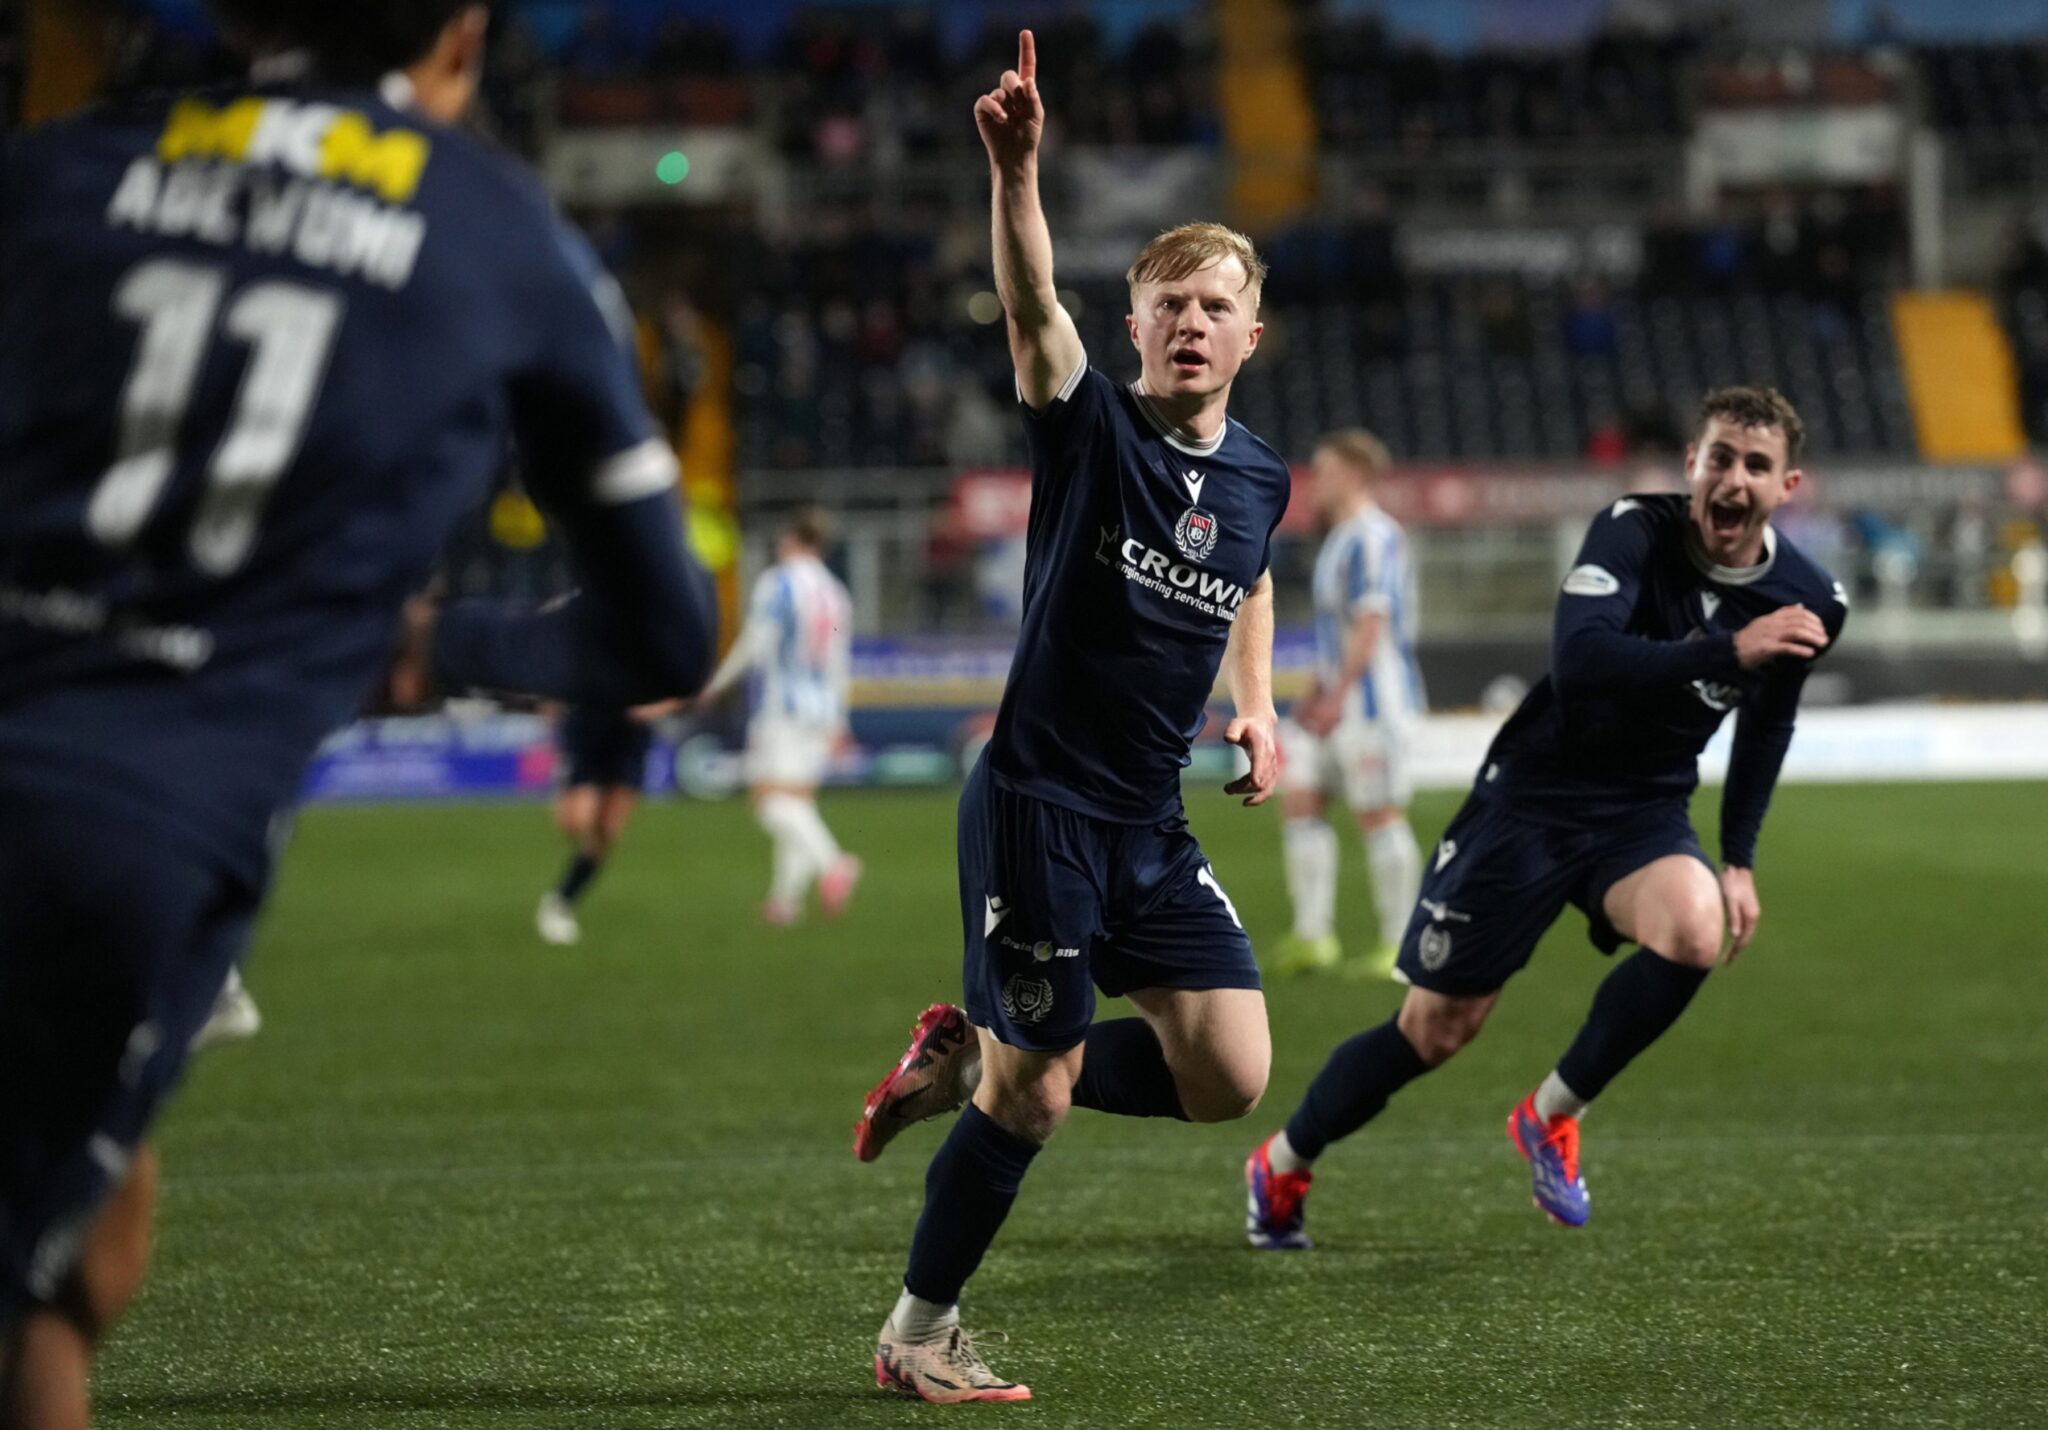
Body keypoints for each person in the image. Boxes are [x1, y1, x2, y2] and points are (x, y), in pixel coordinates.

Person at [0, 5, 717, 1423]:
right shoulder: (499, 234)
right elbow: (665, 630)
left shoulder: (59, 168)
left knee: (80, 1263)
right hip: (123, 834)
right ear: (462, 36)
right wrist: (430, 646)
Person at [847, 31, 1291, 1404]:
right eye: (1168, 304)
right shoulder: (1089, 423)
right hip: (1038, 803)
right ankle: (917, 1330)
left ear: (1251, 332)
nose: (1190, 323)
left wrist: (1257, 703)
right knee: (1034, 1094)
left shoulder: (1260, 476)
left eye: (1214, 305)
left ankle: (972, 1052)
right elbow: (1031, 299)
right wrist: (1016, 171)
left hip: (1148, 819)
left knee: (1229, 1073)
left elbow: (1250, 574)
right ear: (1134, 325)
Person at [1245, 386, 1845, 1251]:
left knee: (1694, 927)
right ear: (1692, 464)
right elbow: (1581, 659)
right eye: (1720, 458)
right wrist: (1726, 649)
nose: (1734, 480)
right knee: (1436, 1029)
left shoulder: (1809, 598)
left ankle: (1551, 1114)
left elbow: (1767, 726)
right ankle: (1283, 1162)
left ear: (1787, 486)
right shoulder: (1632, 530)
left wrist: (1739, 858)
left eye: (1757, 466)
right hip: (1530, 800)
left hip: (1641, 811)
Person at [1271, 429, 1426, 980]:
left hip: (1373, 704)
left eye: (1326, 471)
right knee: (1301, 799)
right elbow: (1335, 632)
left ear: (1357, 474)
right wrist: (1316, 693)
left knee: (1378, 813)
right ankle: (1314, 937)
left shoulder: (1374, 537)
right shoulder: (1340, 539)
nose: (1316, 481)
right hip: (1338, 701)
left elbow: (1371, 622)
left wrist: (1339, 694)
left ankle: (1399, 943)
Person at [694, 507, 860, 925]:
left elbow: (756, 640)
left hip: (783, 706)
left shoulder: (779, 582)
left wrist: (718, 682)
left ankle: (833, 863)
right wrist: (840, 719)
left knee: (769, 801)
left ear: (790, 540)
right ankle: (785, 901)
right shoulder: (835, 592)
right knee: (798, 801)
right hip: (821, 708)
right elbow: (839, 660)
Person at [535, 704, 657, 946]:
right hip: (590, 724)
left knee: (606, 832)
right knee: (575, 822)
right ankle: (565, 788)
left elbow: (680, 689)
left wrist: (652, 709)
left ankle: (560, 901)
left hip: (630, 736)